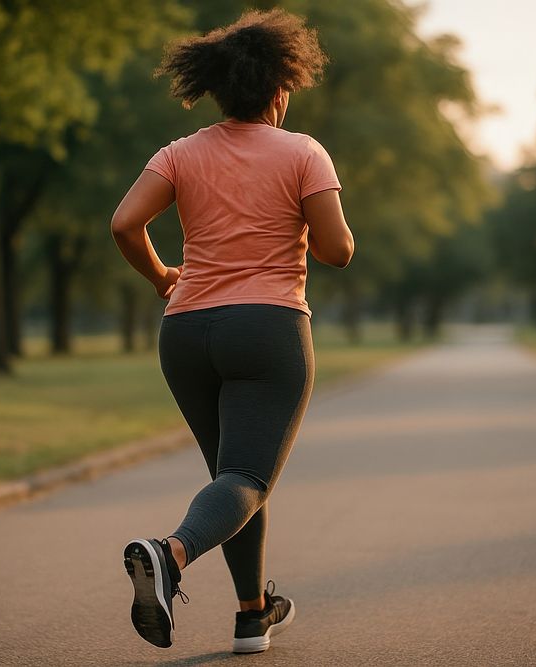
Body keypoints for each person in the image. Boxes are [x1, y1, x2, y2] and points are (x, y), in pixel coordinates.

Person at [111, 8, 353, 655]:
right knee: (247, 474)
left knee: (234, 475)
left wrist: (164, 274)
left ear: (219, 87)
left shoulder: (180, 153)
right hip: (267, 327)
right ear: (280, 86)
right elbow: (337, 249)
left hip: (185, 330)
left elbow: (123, 224)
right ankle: (169, 554)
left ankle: (253, 612)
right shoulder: (303, 151)